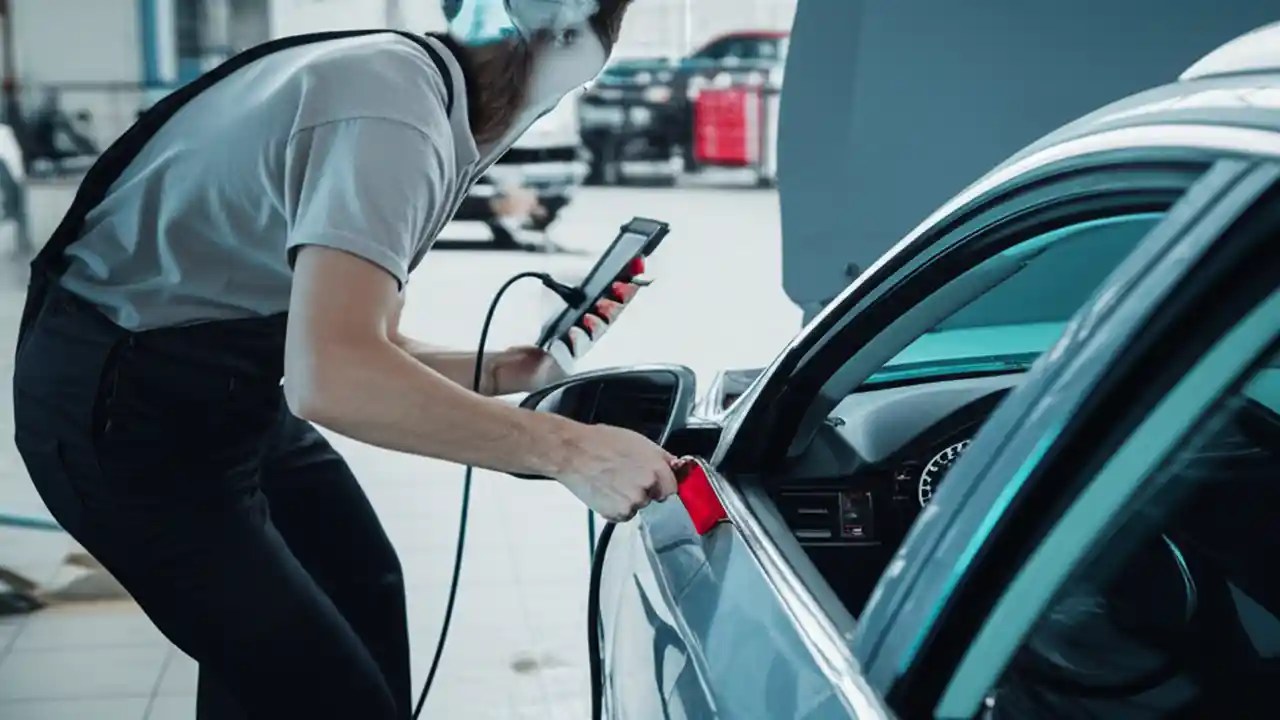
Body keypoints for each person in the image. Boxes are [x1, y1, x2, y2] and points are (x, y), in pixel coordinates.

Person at [11, 1, 675, 718]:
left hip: (225, 382)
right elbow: (334, 380)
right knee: (324, 694)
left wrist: (506, 370)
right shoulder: (393, 116)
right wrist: (570, 450)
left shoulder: (414, 87)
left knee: (359, 583)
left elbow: (353, 342)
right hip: (123, 415)